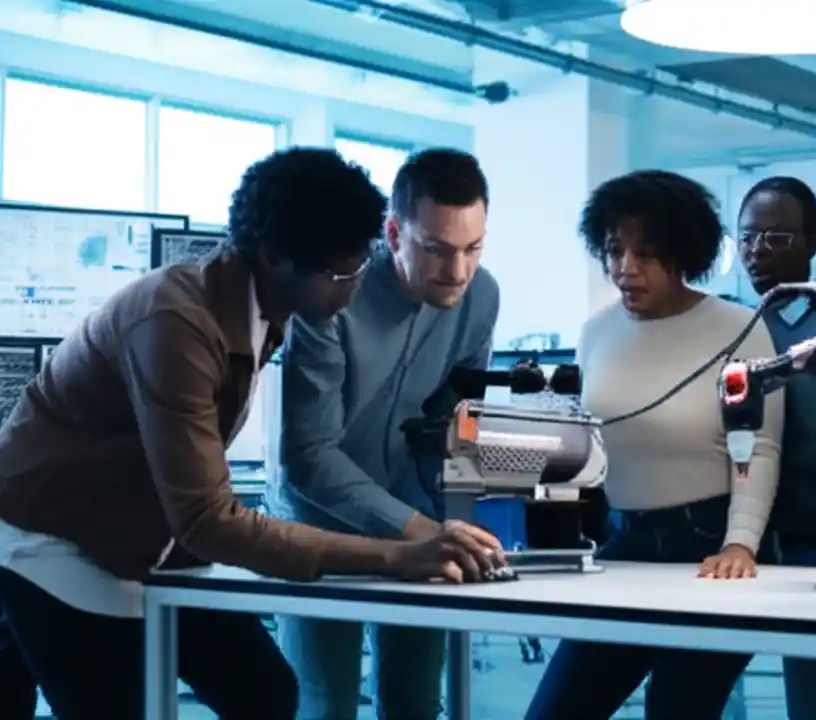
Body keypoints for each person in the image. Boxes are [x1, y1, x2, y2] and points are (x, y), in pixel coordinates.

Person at [0, 148, 504, 720]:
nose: (356, 288)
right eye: (344, 273)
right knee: (121, 703)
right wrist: (396, 554)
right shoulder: (177, 323)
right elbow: (211, 518)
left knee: (263, 690)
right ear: (276, 257)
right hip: (60, 541)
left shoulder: (260, 306)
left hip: (149, 541)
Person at [524, 169, 784, 720]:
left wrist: (741, 544)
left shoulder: (739, 328)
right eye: (615, 251)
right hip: (629, 544)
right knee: (556, 711)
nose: (626, 269)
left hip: (712, 545)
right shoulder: (596, 332)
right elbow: (584, 442)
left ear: (684, 253)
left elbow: (758, 446)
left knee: (677, 711)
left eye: (646, 253)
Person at [269, 147, 499, 719]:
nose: (457, 272)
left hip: (419, 513)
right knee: (326, 704)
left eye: (473, 249)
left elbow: (457, 416)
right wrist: (420, 529)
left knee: (417, 703)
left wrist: (460, 514)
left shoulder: (482, 295)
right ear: (394, 232)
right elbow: (309, 456)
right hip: (320, 522)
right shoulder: (331, 296)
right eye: (437, 250)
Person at [735, 175, 816, 720]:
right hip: (733, 534)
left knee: (813, 687)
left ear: (812, 242)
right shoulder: (726, 324)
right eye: (748, 238)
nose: (758, 252)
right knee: (709, 669)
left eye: (776, 239)